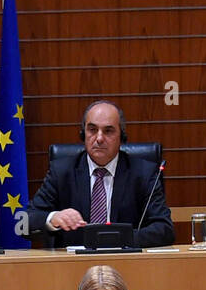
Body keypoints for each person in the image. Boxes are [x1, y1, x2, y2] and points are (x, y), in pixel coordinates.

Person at [28, 100, 175, 248]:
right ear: (83, 134)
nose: (99, 138)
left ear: (121, 137)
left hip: (127, 264)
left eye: (108, 131)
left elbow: (165, 229)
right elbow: (23, 222)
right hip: (73, 266)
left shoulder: (143, 173)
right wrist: (53, 218)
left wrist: (116, 239)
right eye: (92, 130)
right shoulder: (62, 171)